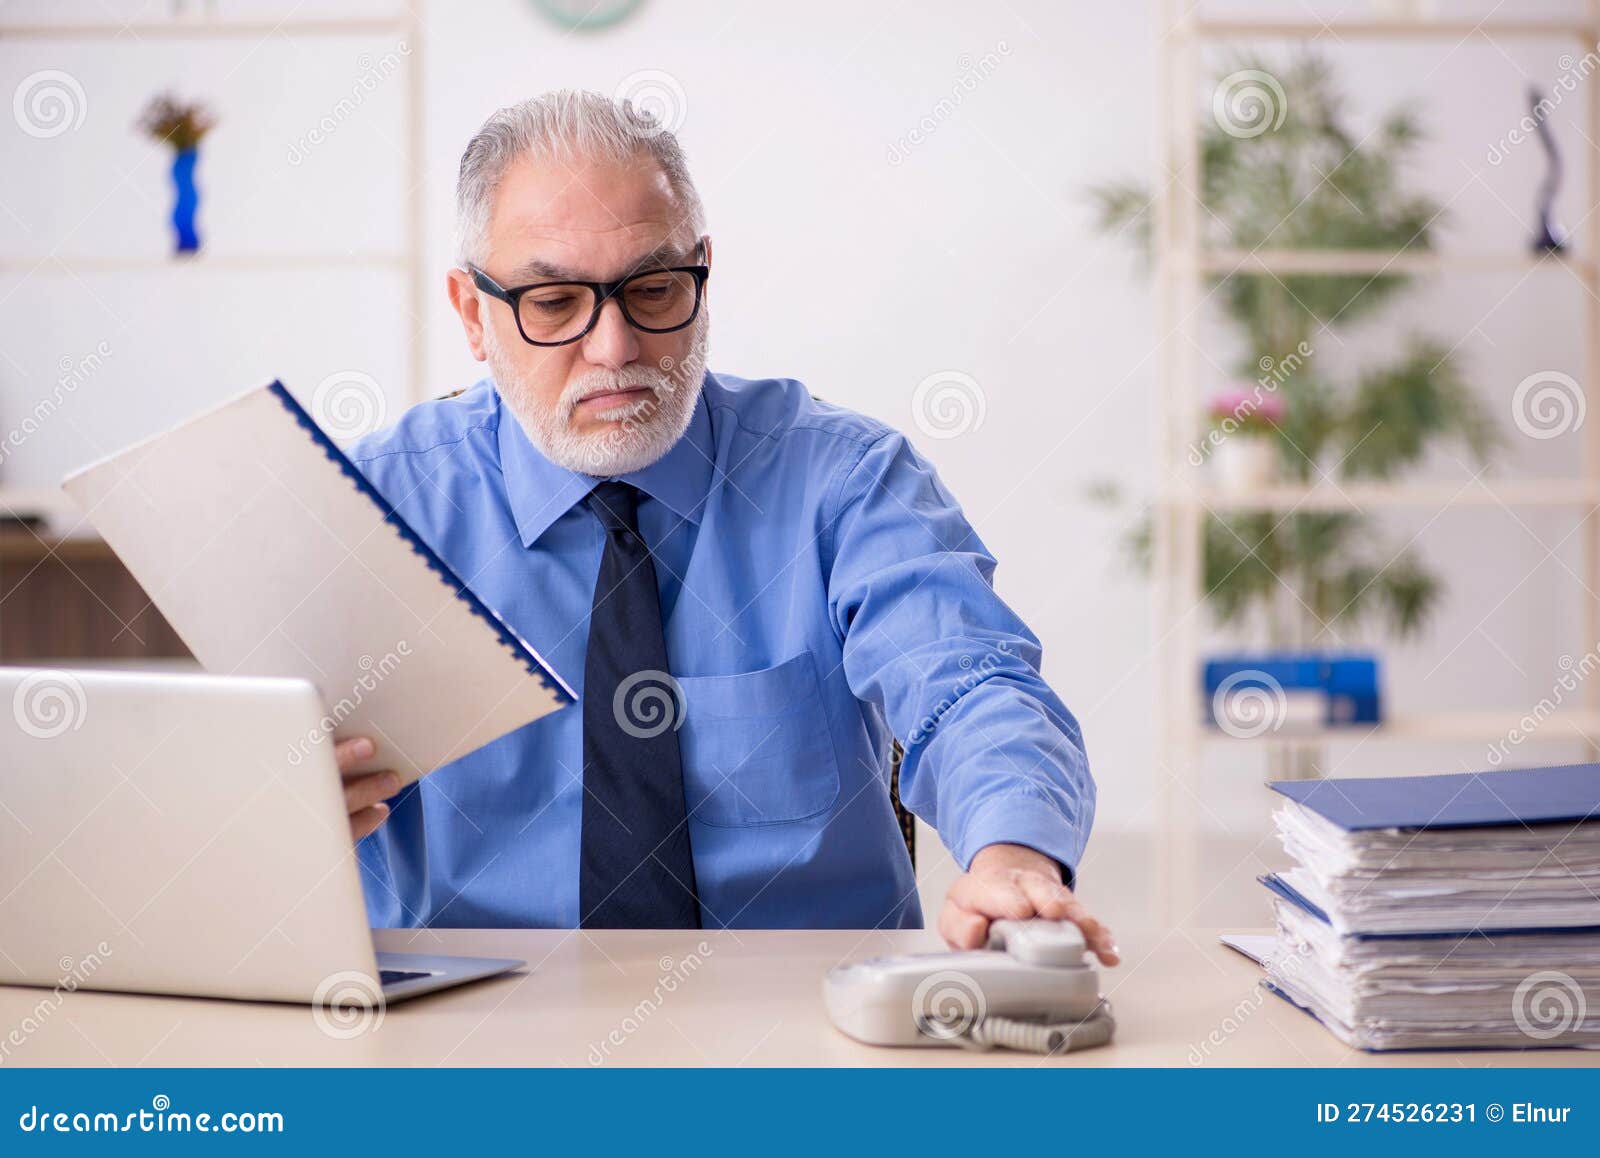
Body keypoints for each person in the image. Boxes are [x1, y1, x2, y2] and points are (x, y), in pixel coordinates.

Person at [341, 90, 1114, 963]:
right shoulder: (372, 510)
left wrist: (1013, 856)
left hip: (804, 1039)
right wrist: (266, 806)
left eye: (655, 288)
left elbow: (974, 687)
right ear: (472, 313)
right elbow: (231, 763)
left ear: (703, 273)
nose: (615, 348)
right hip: (465, 1038)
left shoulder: (842, 481)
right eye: (555, 303)